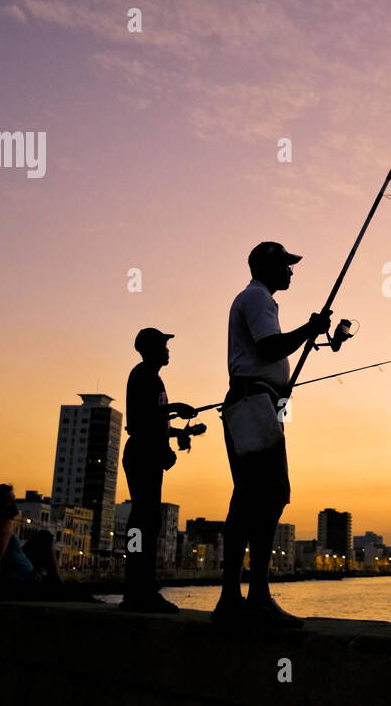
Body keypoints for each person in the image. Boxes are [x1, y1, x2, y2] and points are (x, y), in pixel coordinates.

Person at [211, 242, 332, 628]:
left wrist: (280, 384)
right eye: (287, 265)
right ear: (267, 265)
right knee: (271, 493)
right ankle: (257, 597)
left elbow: (266, 354)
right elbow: (268, 347)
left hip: (252, 402)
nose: (292, 272)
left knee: (246, 497)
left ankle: (232, 599)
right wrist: (310, 330)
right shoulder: (257, 299)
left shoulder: (254, 300)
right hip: (253, 405)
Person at [121, 327, 203, 613]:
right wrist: (176, 407)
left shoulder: (153, 378)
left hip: (146, 453)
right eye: (163, 345)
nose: (168, 350)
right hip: (142, 454)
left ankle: (140, 590)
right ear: (149, 349)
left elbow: (154, 423)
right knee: (144, 521)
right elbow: (141, 421)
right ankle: (138, 592)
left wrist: (178, 430)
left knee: (148, 522)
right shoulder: (143, 375)